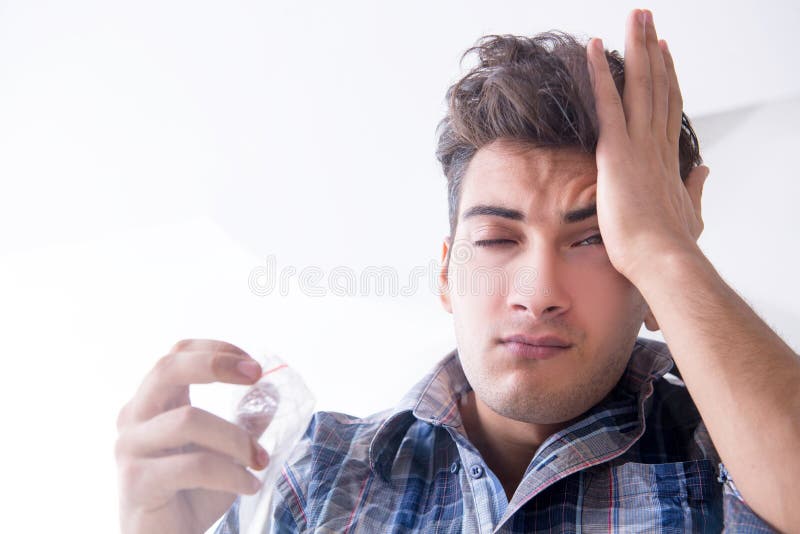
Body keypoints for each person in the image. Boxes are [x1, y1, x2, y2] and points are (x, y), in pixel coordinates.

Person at [115, 9, 799, 533]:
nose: (536, 295)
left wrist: (665, 248)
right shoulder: (313, 477)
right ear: (447, 274)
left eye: (594, 240)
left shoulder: (731, 453)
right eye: (498, 239)